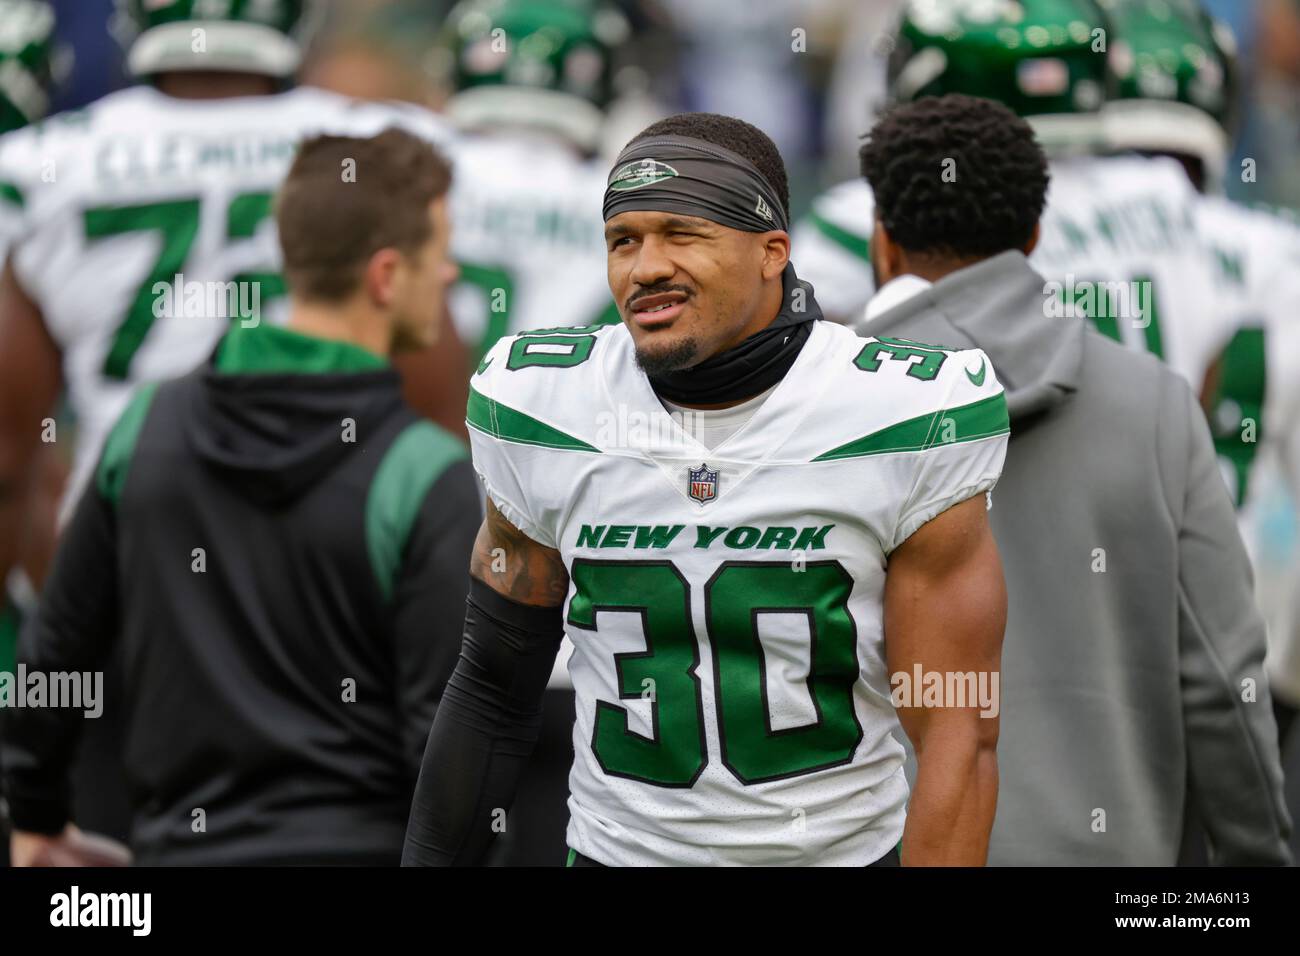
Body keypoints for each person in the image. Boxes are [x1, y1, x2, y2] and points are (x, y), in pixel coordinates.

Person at [403, 111, 1011, 867]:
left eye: (681, 233)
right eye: (622, 240)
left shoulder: (903, 413)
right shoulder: (541, 406)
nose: (644, 267)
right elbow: (494, 687)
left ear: (772, 252)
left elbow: (956, 728)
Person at [0, 0, 463, 842]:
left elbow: (10, 462)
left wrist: (35, 802)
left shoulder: (39, 165)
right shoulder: (376, 150)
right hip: (348, 560)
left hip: (141, 579)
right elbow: (444, 408)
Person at [853, 93, 1291, 865]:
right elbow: (1223, 680)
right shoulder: (1152, 402)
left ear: (882, 243)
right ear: (1033, 235)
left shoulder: (818, 414)